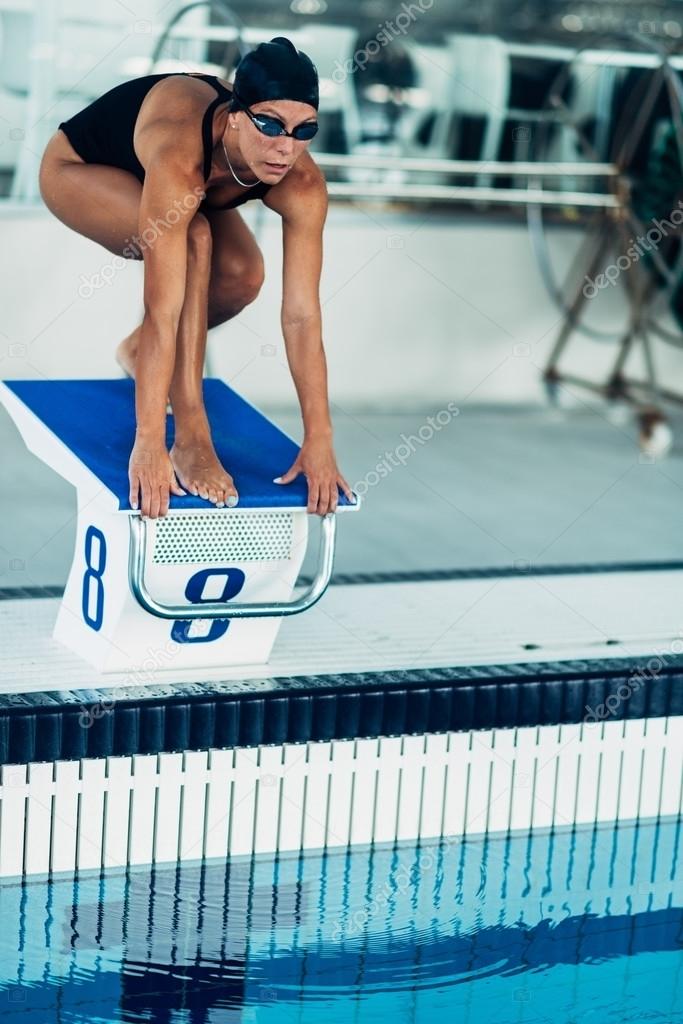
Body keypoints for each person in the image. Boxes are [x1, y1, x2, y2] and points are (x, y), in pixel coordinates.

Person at [38, 36, 354, 519]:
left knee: (243, 276)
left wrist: (320, 437)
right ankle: (191, 436)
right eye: (270, 124)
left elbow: (302, 316)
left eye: (304, 129)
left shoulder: (302, 182)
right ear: (236, 116)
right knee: (193, 238)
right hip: (79, 170)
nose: (285, 147)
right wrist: (149, 441)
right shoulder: (181, 154)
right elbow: (163, 310)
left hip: (183, 185)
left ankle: (137, 352)